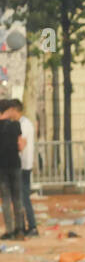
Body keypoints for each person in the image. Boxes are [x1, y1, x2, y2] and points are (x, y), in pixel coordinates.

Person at [0, 100, 25, 239]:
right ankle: (19, 229)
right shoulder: (16, 125)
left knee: (5, 199)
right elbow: (20, 145)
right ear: (8, 110)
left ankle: (9, 230)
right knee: (17, 198)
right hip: (15, 164)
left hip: (1, 167)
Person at [16, 100, 35, 237]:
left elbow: (21, 144)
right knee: (21, 197)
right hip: (22, 164)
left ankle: (32, 226)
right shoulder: (21, 124)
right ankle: (24, 226)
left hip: (24, 165)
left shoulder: (25, 124)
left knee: (24, 197)